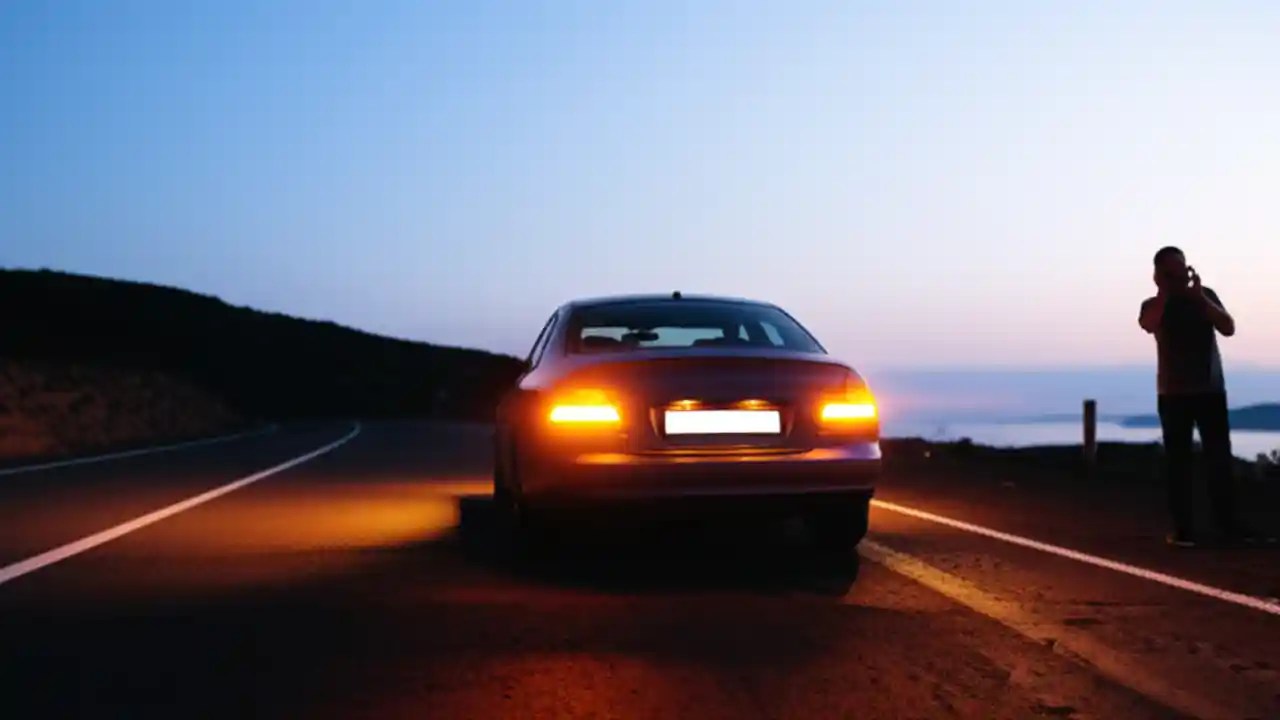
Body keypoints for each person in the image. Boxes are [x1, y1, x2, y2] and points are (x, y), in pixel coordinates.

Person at [1138, 247, 1262, 547]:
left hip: (1210, 391)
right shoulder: (1153, 304)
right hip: (1173, 394)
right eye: (1170, 271)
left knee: (1219, 460)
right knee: (1178, 463)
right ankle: (1183, 528)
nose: (1178, 276)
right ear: (1158, 275)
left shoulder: (1205, 297)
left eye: (1181, 269)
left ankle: (1227, 524)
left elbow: (1228, 327)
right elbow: (1149, 324)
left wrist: (1200, 298)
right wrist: (1165, 293)